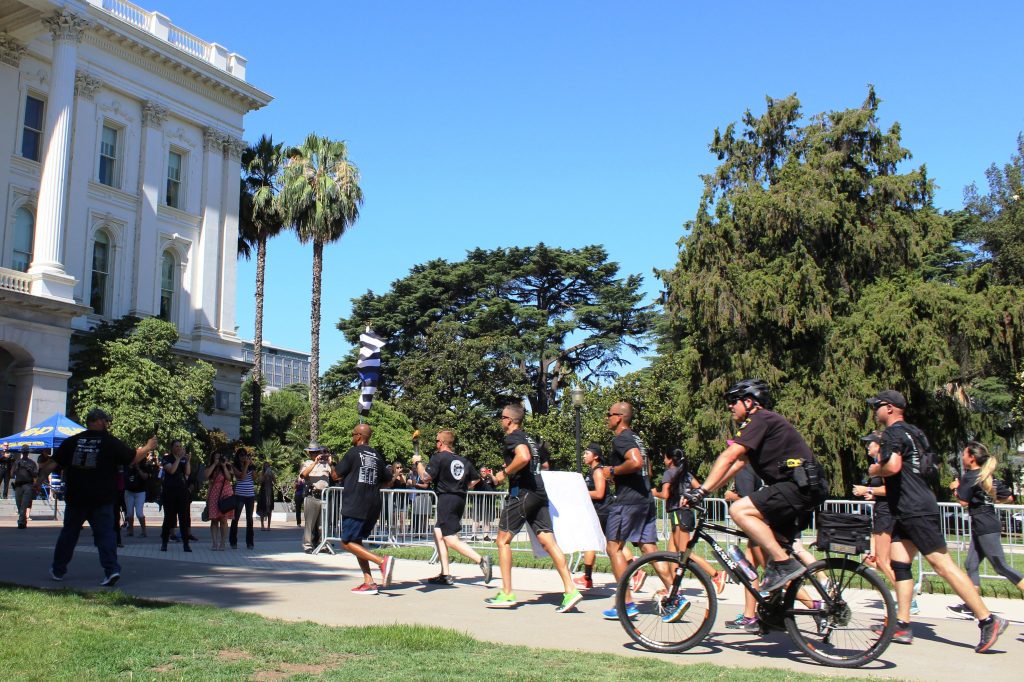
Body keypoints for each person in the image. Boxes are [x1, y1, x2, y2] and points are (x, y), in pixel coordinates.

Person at [866, 389, 1007, 652]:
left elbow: (892, 467)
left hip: (914, 508)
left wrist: (875, 468)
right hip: (910, 507)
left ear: (889, 408)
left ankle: (987, 619)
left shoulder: (893, 433)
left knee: (943, 564)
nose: (874, 411)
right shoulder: (915, 433)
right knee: (900, 564)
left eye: (877, 406)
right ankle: (902, 624)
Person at [681, 380, 828, 597]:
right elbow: (737, 464)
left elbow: (729, 456)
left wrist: (700, 491)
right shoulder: (763, 423)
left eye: (734, 401)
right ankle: (781, 605)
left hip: (798, 487)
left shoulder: (759, 419)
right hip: (803, 488)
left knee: (739, 510)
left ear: (749, 402)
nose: (730, 406)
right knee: (766, 546)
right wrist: (706, 491)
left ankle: (784, 564)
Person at [35, 408, 157, 585]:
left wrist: (39, 480)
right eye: (105, 421)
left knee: (69, 534)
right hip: (102, 498)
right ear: (98, 421)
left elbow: (53, 463)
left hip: (76, 497)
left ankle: (58, 569)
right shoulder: (109, 442)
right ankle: (111, 570)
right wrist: (148, 447)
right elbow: (132, 458)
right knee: (105, 535)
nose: (107, 424)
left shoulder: (73, 441)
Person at [486, 403, 581, 613]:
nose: (501, 421)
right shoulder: (529, 439)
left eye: (502, 417)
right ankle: (570, 590)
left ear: (509, 420)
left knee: (502, 541)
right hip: (539, 492)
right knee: (549, 542)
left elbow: (523, 457)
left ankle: (507, 593)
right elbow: (536, 463)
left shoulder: (513, 437)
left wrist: (504, 474)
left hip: (522, 493)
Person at [601, 402, 673, 620]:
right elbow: (647, 470)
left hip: (628, 502)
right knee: (649, 548)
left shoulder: (621, 438)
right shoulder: (637, 439)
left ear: (619, 417)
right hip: (645, 499)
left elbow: (636, 462)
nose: (607, 418)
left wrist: (612, 471)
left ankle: (626, 604)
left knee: (614, 548)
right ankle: (675, 596)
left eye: (609, 414)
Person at [946, 442, 1023, 618]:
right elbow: (1009, 497)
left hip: (985, 526)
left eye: (964, 454)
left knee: (1000, 566)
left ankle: (972, 605)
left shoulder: (970, 476)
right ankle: (972, 606)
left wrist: (955, 488)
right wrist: (990, 501)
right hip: (985, 524)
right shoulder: (987, 475)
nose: (962, 457)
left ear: (972, 458)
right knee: (971, 564)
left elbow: (963, 501)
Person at [411, 430, 493, 586]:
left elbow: (425, 478)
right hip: (459, 499)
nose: (436, 443)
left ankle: (481, 560)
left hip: (447, 499)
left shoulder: (438, 457)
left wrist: (418, 463)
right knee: (438, 532)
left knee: (450, 538)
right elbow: (476, 479)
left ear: (441, 443)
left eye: (437, 441)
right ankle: (445, 574)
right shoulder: (463, 460)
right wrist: (462, 487)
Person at [653, 448, 726, 593]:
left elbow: (665, 495)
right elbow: (699, 488)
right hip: (686, 513)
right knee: (672, 553)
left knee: (684, 552)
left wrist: (655, 493)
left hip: (678, 514)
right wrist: (688, 497)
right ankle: (673, 588)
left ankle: (715, 574)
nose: (663, 460)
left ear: (670, 459)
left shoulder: (669, 473)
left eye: (665, 457)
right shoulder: (686, 474)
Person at [334, 423, 396, 594]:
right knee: (357, 541)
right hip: (373, 505)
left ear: (359, 436)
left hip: (356, 503)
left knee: (346, 542)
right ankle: (369, 581)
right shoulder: (377, 456)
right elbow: (388, 481)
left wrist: (332, 464)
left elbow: (335, 475)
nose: (352, 437)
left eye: (353, 434)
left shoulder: (353, 452)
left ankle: (382, 561)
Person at [574, 443, 633, 589]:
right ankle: (588, 577)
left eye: (587, 453)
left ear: (595, 456)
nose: (584, 456)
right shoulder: (595, 471)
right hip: (601, 511)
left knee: (603, 544)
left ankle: (588, 577)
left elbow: (599, 493)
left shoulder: (598, 471)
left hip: (603, 511)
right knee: (609, 543)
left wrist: (581, 492)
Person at [723, 464, 765, 631]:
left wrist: (731, 496)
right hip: (761, 525)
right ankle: (749, 616)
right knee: (750, 571)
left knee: (776, 574)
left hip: (760, 526)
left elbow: (749, 500)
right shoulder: (755, 467)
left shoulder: (744, 469)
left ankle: (815, 605)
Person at [852, 432, 897, 588]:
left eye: (869, 443)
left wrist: (867, 489)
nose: (867, 447)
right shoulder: (880, 463)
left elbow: (891, 489)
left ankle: (907, 595)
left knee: (882, 560)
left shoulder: (885, 464)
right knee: (875, 560)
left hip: (886, 514)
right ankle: (904, 589)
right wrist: (873, 495)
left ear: (878, 445)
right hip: (883, 511)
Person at [299, 443, 337, 553]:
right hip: (312, 495)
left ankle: (323, 544)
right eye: (312, 452)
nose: (315, 454)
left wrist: (331, 463)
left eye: (317, 452)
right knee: (309, 524)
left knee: (323, 523)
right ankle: (308, 545)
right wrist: (315, 462)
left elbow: (336, 477)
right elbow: (303, 475)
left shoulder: (326, 464)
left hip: (324, 496)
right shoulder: (307, 463)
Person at [160, 440, 192, 552]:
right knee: (169, 518)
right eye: (176, 446)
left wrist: (187, 461)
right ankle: (164, 542)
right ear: (172, 447)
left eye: (180, 446)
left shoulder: (183, 459)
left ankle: (186, 544)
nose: (179, 448)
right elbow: (172, 470)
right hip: (169, 492)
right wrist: (178, 458)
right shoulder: (167, 458)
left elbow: (187, 473)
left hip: (182, 491)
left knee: (183, 518)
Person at [230, 448, 258, 549]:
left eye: (245, 455)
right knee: (236, 518)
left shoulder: (250, 466)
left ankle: (250, 542)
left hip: (250, 495)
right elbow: (241, 477)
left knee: (249, 519)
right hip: (240, 495)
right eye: (241, 455)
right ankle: (233, 541)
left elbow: (255, 478)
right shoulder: (235, 466)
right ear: (238, 456)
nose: (243, 457)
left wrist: (251, 466)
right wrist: (246, 465)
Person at [12, 445, 39, 529]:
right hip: (18, 485)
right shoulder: (17, 462)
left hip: (28, 485)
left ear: (27, 453)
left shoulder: (32, 463)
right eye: (23, 452)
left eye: (25, 452)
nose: (24, 454)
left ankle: (21, 522)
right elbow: (12, 473)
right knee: (19, 504)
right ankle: (23, 520)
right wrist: (17, 468)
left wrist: (29, 470)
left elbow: (35, 474)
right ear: (22, 453)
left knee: (24, 504)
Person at [123, 458, 151, 537]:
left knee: (139, 513)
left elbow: (145, 477)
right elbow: (123, 476)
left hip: (140, 492)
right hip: (129, 491)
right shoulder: (127, 467)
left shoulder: (144, 467)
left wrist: (138, 469)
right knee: (129, 513)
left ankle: (144, 531)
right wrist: (130, 467)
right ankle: (130, 531)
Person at [256, 460, 276, 531]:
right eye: (265, 466)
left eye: (268, 466)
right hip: (263, 491)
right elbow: (259, 481)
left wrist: (272, 475)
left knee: (270, 508)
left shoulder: (271, 473)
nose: (267, 467)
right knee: (262, 508)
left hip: (270, 491)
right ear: (263, 467)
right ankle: (262, 525)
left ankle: (268, 525)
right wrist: (265, 475)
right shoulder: (261, 473)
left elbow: (275, 481)